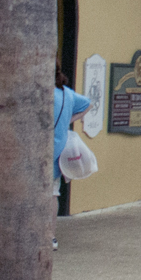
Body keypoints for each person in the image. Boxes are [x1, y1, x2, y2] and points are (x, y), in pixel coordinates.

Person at [52, 62, 91, 250]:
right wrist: (69, 120)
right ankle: (50, 236)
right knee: (52, 194)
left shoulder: (42, 94)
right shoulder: (66, 93)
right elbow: (88, 103)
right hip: (57, 149)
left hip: (38, 151)